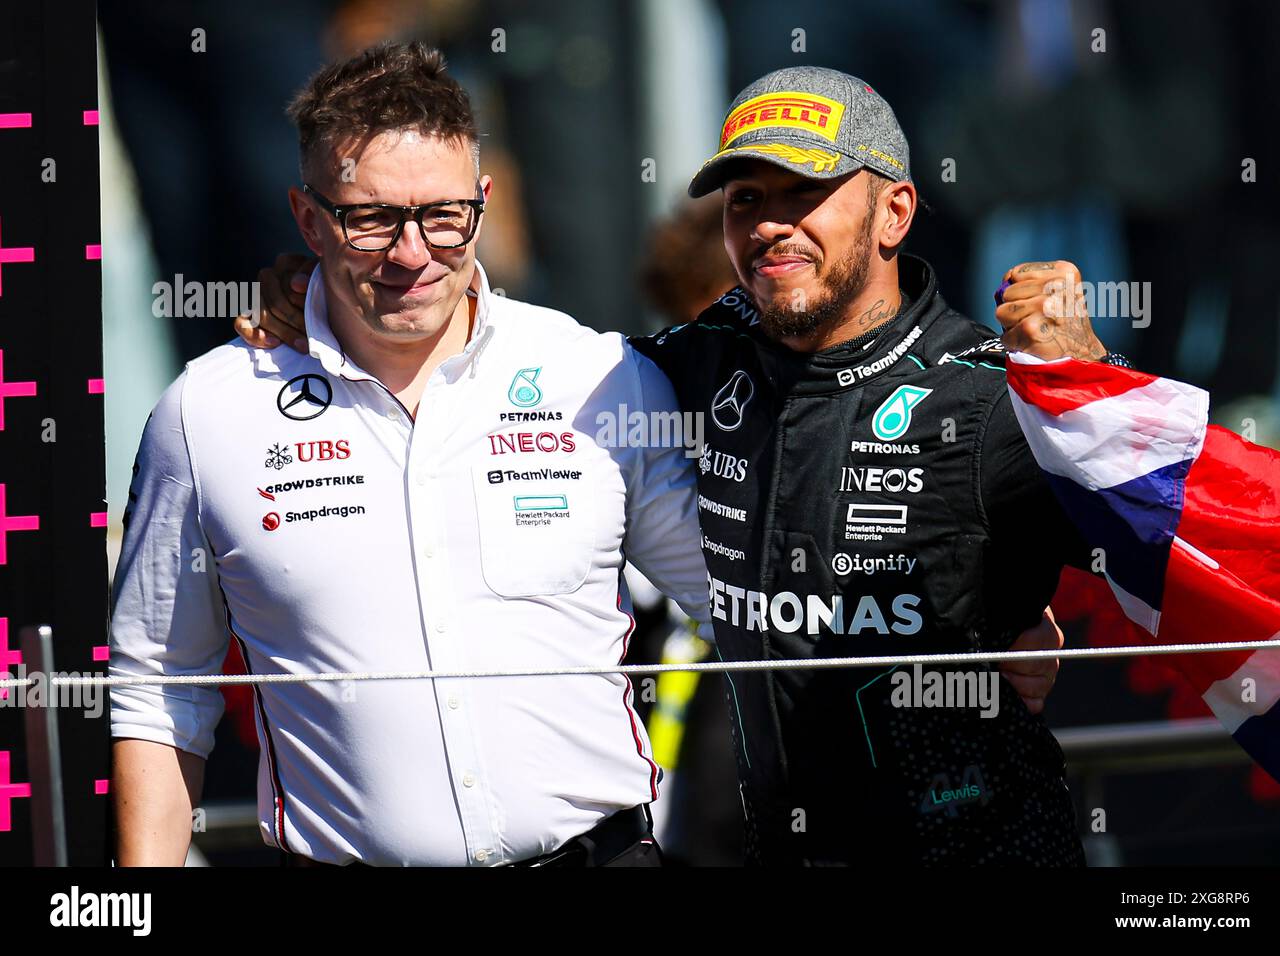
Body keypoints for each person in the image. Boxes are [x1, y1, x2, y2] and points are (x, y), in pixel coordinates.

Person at [237, 60, 1103, 866]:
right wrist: (317, 294)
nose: (769, 222)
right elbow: (496, 375)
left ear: (896, 213)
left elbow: (1186, 538)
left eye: (806, 193)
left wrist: (1094, 385)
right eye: (745, 197)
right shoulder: (687, 366)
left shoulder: (994, 396)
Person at [109, 42, 714, 867]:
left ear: (484, 201)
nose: (412, 253)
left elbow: (744, 608)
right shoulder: (206, 414)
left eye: (443, 214)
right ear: (308, 218)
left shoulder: (597, 375)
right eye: (372, 219)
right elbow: (157, 693)